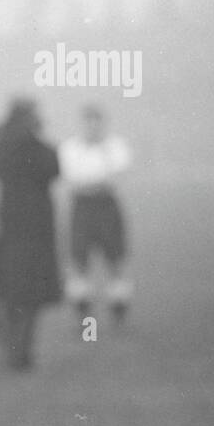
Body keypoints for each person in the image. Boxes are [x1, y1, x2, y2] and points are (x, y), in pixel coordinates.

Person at [0, 98, 62, 369]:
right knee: (30, 293)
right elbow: (54, 168)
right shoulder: (37, 145)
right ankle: (22, 351)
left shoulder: (0, 141)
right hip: (37, 225)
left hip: (7, 221)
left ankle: (10, 345)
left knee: (9, 288)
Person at [58, 104, 132, 325]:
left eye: (96, 123)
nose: (92, 128)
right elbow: (71, 176)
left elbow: (117, 172)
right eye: (88, 123)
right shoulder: (70, 148)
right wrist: (93, 181)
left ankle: (119, 307)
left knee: (115, 257)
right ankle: (82, 310)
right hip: (82, 206)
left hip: (106, 205)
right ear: (82, 124)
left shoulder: (115, 145)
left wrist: (99, 165)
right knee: (79, 258)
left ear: (103, 124)